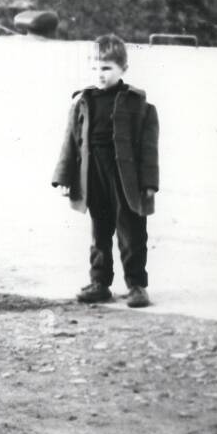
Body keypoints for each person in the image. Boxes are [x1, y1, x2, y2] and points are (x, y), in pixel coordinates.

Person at [52, 34, 159, 307]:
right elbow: (70, 142)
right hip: (93, 174)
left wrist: (149, 183)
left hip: (127, 179)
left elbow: (148, 150)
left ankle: (137, 285)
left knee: (131, 232)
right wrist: (64, 178)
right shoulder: (82, 102)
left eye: (107, 68)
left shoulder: (139, 104)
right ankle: (100, 282)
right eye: (95, 68)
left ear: (123, 69)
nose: (100, 74)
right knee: (99, 232)